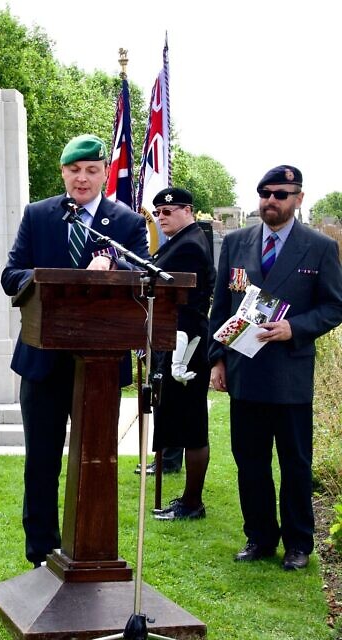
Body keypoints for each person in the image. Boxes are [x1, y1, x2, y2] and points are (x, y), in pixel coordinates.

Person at [1, 134, 149, 567]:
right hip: (42, 361)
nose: (81, 178)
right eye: (74, 170)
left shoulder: (126, 222)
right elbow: (10, 275)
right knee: (41, 462)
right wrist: (45, 279)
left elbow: (144, 275)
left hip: (100, 365)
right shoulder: (38, 215)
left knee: (95, 461)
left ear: (104, 173)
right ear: (63, 173)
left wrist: (114, 264)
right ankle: (40, 553)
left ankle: (90, 552)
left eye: (91, 170)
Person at [209, 165, 342, 570]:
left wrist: (294, 328)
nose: (271, 200)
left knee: (295, 463)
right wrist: (217, 360)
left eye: (280, 194)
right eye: (265, 192)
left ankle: (299, 543)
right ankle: (260, 537)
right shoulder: (237, 242)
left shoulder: (318, 247)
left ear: (298, 198)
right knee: (250, 461)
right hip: (245, 371)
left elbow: (334, 306)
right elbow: (221, 306)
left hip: (289, 374)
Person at [145, 187, 215, 521]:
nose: (161, 217)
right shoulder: (181, 241)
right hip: (174, 341)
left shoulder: (189, 245)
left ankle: (192, 503)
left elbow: (180, 299)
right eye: (158, 212)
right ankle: (188, 500)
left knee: (192, 426)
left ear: (188, 211)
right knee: (181, 421)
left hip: (186, 348)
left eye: (168, 212)